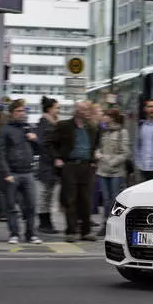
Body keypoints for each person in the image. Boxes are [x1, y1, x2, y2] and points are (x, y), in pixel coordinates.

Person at [49, 101, 100, 243]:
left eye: (86, 109)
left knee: (86, 200)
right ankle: (71, 231)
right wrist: (57, 158)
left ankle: (86, 231)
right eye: (81, 109)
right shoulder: (64, 126)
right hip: (70, 165)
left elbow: (96, 144)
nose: (83, 112)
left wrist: (94, 159)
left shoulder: (92, 127)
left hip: (86, 167)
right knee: (70, 200)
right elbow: (51, 143)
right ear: (76, 110)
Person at [0, 99, 43, 244]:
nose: (22, 114)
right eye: (19, 111)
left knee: (31, 205)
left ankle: (30, 234)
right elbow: (0, 153)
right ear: (12, 113)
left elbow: (40, 150)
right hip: (13, 173)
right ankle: (14, 234)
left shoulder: (28, 128)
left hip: (28, 172)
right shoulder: (5, 130)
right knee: (11, 206)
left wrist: (35, 140)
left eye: (24, 111)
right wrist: (6, 173)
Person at [95, 108, 130, 236]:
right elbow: (100, 147)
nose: (104, 117)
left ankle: (116, 224)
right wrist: (98, 153)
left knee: (115, 199)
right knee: (105, 199)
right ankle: (105, 224)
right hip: (103, 171)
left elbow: (126, 153)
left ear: (112, 117)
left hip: (116, 172)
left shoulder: (122, 132)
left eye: (106, 115)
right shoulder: (104, 131)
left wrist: (112, 161)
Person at [35, 96, 60, 234]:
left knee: (49, 195)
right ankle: (44, 222)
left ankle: (47, 222)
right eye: (56, 108)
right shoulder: (44, 122)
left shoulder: (54, 122)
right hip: (46, 164)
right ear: (49, 109)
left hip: (52, 164)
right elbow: (43, 143)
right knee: (45, 194)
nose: (58, 110)